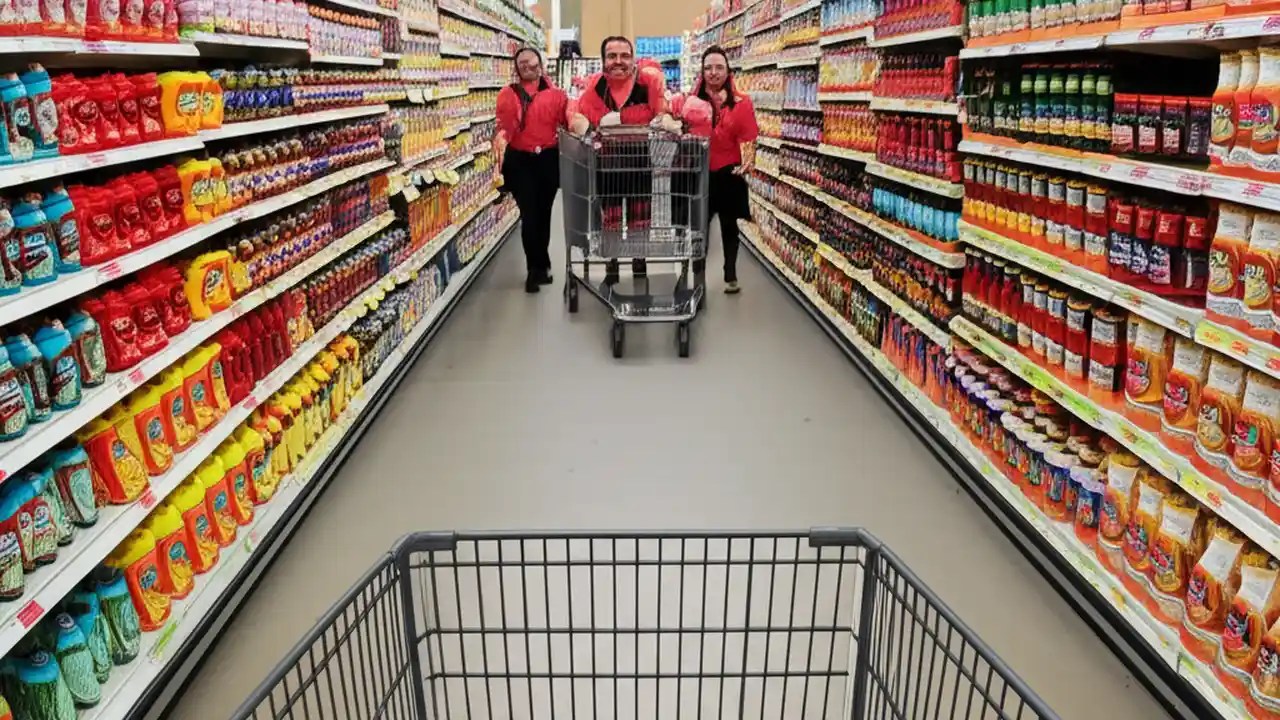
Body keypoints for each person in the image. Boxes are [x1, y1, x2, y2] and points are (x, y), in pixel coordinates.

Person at [567, 36, 680, 285]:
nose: (618, 61)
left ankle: (639, 261)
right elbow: (580, 116)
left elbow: (662, 112)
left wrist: (662, 120)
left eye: (624, 55)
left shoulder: (648, 82)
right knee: (612, 217)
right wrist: (585, 125)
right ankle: (613, 264)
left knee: (641, 215)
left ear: (633, 58)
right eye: (612, 56)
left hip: (639, 158)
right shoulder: (595, 86)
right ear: (603, 60)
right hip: (607, 161)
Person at [671, 45, 758, 295]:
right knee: (698, 228)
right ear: (702, 71)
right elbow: (678, 127)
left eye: (719, 67)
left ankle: (730, 273)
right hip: (699, 172)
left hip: (729, 172)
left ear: (728, 70)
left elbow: (748, 135)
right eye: (708, 67)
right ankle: (696, 275)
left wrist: (747, 162)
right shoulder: (691, 102)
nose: (713, 72)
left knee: (729, 226)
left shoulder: (742, 103)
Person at [495, 47, 568, 294]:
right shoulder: (508, 94)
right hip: (520, 161)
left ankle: (542, 262)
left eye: (531, 62)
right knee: (529, 214)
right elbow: (505, 127)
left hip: (547, 159)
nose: (527, 67)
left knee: (544, 213)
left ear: (541, 64)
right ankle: (533, 271)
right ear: (517, 69)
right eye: (522, 64)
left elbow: (567, 121)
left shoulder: (557, 95)